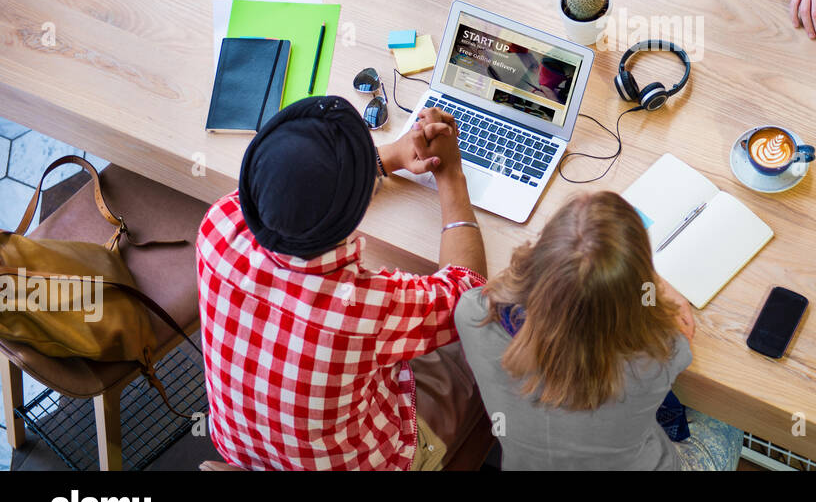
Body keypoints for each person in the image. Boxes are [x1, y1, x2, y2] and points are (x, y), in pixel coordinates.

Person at [196, 95, 487, 470]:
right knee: (478, 343)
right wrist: (449, 173)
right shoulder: (365, 308)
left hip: (241, 452)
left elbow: (295, 189)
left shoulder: (217, 223)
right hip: (370, 461)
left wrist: (392, 157)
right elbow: (467, 289)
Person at [455, 191, 743, 470]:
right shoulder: (658, 354)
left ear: (540, 254)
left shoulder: (473, 313)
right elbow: (678, 335)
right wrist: (645, 279)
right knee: (730, 418)